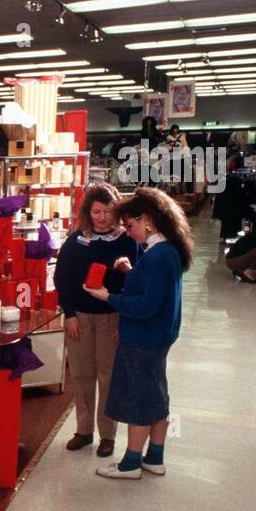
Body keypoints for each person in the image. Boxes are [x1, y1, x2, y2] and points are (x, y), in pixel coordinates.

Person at [83, 188, 193, 480]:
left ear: (148, 220)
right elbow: (154, 292)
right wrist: (132, 273)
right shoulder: (167, 251)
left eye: (130, 226)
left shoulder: (158, 255)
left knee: (139, 401)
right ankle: (154, 456)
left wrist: (108, 297)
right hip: (158, 336)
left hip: (143, 339)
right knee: (157, 398)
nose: (129, 234)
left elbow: (145, 305)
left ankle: (130, 463)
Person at [54, 183, 140, 458]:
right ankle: (83, 430)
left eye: (107, 211)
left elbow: (136, 284)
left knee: (108, 376)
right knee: (81, 375)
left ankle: (107, 435)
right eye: (96, 211)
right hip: (79, 317)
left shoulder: (127, 241)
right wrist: (69, 314)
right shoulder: (75, 241)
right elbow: (62, 279)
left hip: (112, 317)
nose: (102, 217)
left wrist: (125, 320)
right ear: (87, 212)